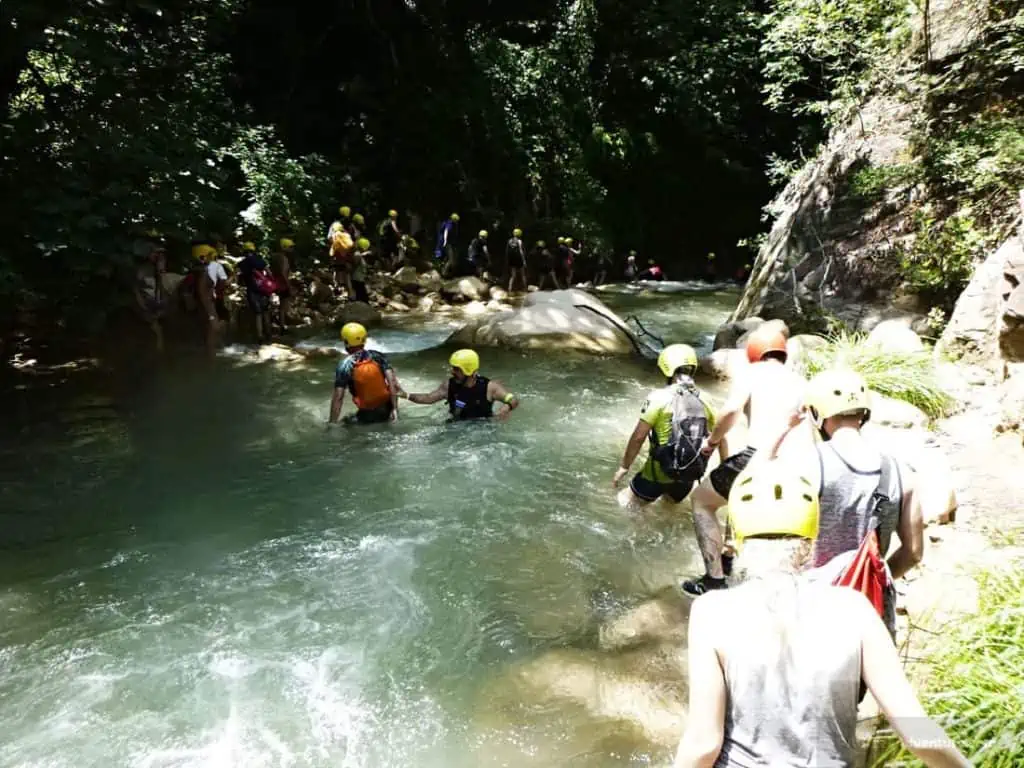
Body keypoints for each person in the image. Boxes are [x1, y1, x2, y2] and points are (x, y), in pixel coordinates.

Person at [673, 460, 970, 768]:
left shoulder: (712, 612)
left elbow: (704, 744)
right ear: (810, 541)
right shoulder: (855, 609)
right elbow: (916, 730)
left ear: (736, 541)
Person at [780, 369, 924, 638]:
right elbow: (914, 552)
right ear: (864, 413)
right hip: (869, 609)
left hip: (812, 605)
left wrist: (785, 428)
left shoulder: (805, 463)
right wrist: (872, 577)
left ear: (815, 413)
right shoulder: (902, 472)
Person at [680, 325, 808, 596]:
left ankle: (714, 579)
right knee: (735, 493)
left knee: (702, 500)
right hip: (797, 463)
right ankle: (728, 556)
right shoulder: (799, 380)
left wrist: (712, 442)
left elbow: (730, 411)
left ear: (753, 353)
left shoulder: (753, 372)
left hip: (758, 457)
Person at [612, 344, 722, 509]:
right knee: (668, 510)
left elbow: (638, 437)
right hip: (688, 477)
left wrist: (624, 467)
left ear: (666, 369)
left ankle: (640, 533)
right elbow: (720, 436)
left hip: (656, 475)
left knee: (624, 502)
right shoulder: (706, 399)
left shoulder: (658, 397)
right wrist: (725, 467)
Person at [399, 349, 518, 421]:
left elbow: (513, 400)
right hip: (456, 425)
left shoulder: (489, 387)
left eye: (457, 369)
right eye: (453, 368)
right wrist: (405, 395)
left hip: (483, 427)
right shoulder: (449, 385)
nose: (452, 372)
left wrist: (506, 408)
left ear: (469, 371)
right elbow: (428, 398)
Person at [329, 323, 400, 425]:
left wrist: (332, 423)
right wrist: (395, 410)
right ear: (364, 340)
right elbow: (392, 383)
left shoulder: (344, 365)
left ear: (345, 342)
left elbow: (338, 397)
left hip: (367, 416)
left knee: (345, 422)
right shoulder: (377, 356)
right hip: (387, 409)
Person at [134, 236, 168, 352]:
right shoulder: (142, 269)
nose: (157, 256)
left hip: (155, 303)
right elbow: (138, 290)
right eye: (155, 253)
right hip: (145, 304)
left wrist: (161, 270)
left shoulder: (156, 270)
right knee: (156, 329)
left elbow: (163, 288)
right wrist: (143, 307)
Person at [238, 242, 273, 343]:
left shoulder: (242, 263)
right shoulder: (260, 260)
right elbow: (269, 273)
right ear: (253, 249)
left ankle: (260, 337)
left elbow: (238, 278)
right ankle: (269, 335)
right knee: (265, 312)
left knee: (257, 314)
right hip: (263, 289)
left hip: (251, 291)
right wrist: (271, 283)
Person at [270, 238, 294, 332]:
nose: (292, 249)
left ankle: (278, 324)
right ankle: (282, 326)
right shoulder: (284, 258)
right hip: (282, 284)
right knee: (283, 306)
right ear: (284, 248)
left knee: (279, 305)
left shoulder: (274, 257)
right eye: (290, 247)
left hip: (274, 283)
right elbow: (283, 273)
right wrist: (289, 285)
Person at [438, 213, 460, 277]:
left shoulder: (454, 224)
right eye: (456, 220)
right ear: (453, 219)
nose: (457, 222)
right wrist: (445, 241)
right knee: (451, 259)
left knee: (449, 258)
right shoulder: (450, 224)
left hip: (451, 243)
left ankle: (444, 269)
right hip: (448, 244)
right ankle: (444, 273)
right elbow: (446, 231)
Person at [350, 238, 372, 303]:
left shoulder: (358, 254)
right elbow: (354, 266)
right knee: (362, 299)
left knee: (362, 298)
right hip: (357, 279)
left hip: (359, 278)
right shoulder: (357, 255)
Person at [506, 227, 527, 293]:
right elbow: (521, 252)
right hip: (519, 260)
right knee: (523, 274)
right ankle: (525, 288)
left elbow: (507, 251)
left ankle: (509, 289)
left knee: (513, 276)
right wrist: (524, 261)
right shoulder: (519, 241)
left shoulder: (509, 241)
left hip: (512, 260)